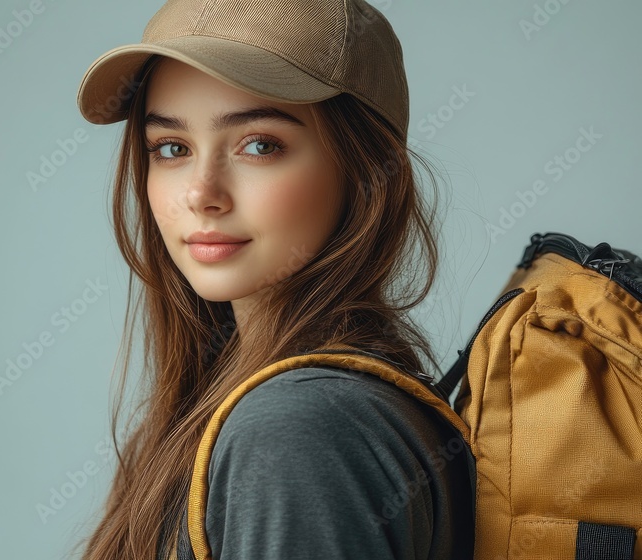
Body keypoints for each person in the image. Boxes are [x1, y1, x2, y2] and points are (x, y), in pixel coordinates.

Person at [73, 0, 475, 558]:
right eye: (172, 148)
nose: (201, 192)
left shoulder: (297, 429)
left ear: (366, 174)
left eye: (259, 145)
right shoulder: (309, 407)